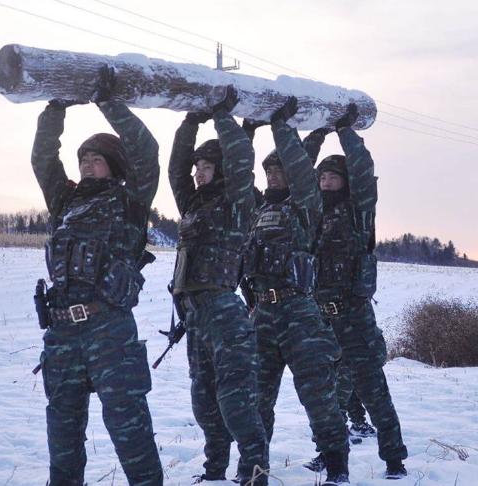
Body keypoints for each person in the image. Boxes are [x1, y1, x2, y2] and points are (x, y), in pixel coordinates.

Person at [32, 66, 163, 485]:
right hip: (62, 333)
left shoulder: (130, 203)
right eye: (84, 161)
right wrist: (55, 109)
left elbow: (146, 151)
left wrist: (109, 103)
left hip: (109, 330)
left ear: (114, 166)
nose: (88, 166)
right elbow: (43, 159)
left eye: (97, 160)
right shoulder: (64, 203)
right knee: (63, 430)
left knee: (129, 428)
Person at [243, 97, 351, 485]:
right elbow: (238, 173)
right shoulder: (258, 211)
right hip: (262, 314)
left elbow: (302, 165)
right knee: (256, 399)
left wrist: (284, 125)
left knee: (317, 395)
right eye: (269, 171)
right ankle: (253, 471)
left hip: (299, 313)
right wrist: (246, 132)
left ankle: (336, 466)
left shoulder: (306, 206)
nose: (273, 176)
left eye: (280, 171)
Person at [167, 86, 268, 485]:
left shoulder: (237, 204)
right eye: (199, 166)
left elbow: (242, 160)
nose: (198, 172)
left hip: (225, 312)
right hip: (194, 316)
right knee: (204, 400)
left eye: (206, 167)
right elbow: (176, 171)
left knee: (236, 400)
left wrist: (224, 116)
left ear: (222, 170)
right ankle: (214, 471)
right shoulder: (194, 204)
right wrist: (190, 122)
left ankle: (254, 472)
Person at [301, 105, 408, 479]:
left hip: (354, 315)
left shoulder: (359, 210)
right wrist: (316, 134)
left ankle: (394, 459)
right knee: (325, 393)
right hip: (320, 317)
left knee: (373, 389)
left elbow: (362, 168)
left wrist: (344, 130)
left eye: (333, 176)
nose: (326, 182)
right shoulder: (310, 215)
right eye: (322, 176)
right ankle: (329, 453)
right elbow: (298, 171)